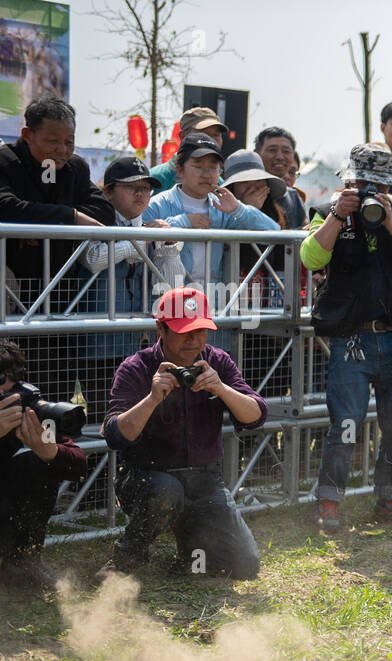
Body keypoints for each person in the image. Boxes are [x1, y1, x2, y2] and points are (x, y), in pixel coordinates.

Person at [301, 142, 392, 534]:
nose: (368, 193)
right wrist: (337, 217)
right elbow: (311, 258)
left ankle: (389, 497)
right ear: (348, 182)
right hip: (352, 340)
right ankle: (328, 503)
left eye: (377, 185)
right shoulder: (329, 211)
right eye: (362, 184)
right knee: (345, 424)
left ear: (391, 185)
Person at [99, 287, 267, 578]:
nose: (193, 340)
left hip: (204, 480)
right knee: (166, 491)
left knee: (245, 565)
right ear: (160, 329)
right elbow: (115, 435)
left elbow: (256, 416)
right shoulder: (136, 368)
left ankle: (190, 544)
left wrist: (221, 388)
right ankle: (126, 557)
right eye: (183, 331)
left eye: (201, 331)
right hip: (145, 477)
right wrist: (151, 399)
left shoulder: (218, 362)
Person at [76, 157, 185, 419]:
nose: (140, 193)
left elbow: (172, 287)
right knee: (105, 418)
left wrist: (168, 248)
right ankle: (100, 462)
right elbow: (93, 259)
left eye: (146, 187)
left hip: (142, 345)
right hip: (98, 345)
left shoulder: (150, 228)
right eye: (130, 187)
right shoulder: (93, 220)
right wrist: (141, 239)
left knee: (147, 419)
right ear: (108, 191)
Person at [0, 339, 88, 592]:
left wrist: (49, 450)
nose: (8, 390)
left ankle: (24, 563)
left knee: (37, 462)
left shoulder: (26, 410)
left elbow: (78, 464)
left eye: (13, 378)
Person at [0, 96, 113, 285]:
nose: (62, 150)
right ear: (27, 135)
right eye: (52, 141)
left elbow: (104, 212)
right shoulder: (5, 162)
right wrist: (71, 217)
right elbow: (5, 207)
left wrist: (37, 223)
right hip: (11, 287)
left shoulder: (76, 167)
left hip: (62, 289)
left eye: (69, 142)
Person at [144, 134, 280, 287]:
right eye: (198, 166)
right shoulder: (156, 205)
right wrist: (183, 222)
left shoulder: (223, 208)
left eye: (213, 168)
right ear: (180, 170)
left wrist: (238, 209)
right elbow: (137, 244)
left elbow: (273, 232)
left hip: (212, 302)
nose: (206, 174)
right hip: (167, 303)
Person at [148, 107, 228, 195]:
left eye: (216, 135)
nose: (211, 140)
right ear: (182, 136)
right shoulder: (155, 179)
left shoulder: (220, 185)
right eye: (204, 134)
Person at [254, 126, 308, 228]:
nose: (279, 157)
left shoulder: (294, 197)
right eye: (272, 150)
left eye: (286, 151)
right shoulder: (245, 190)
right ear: (256, 154)